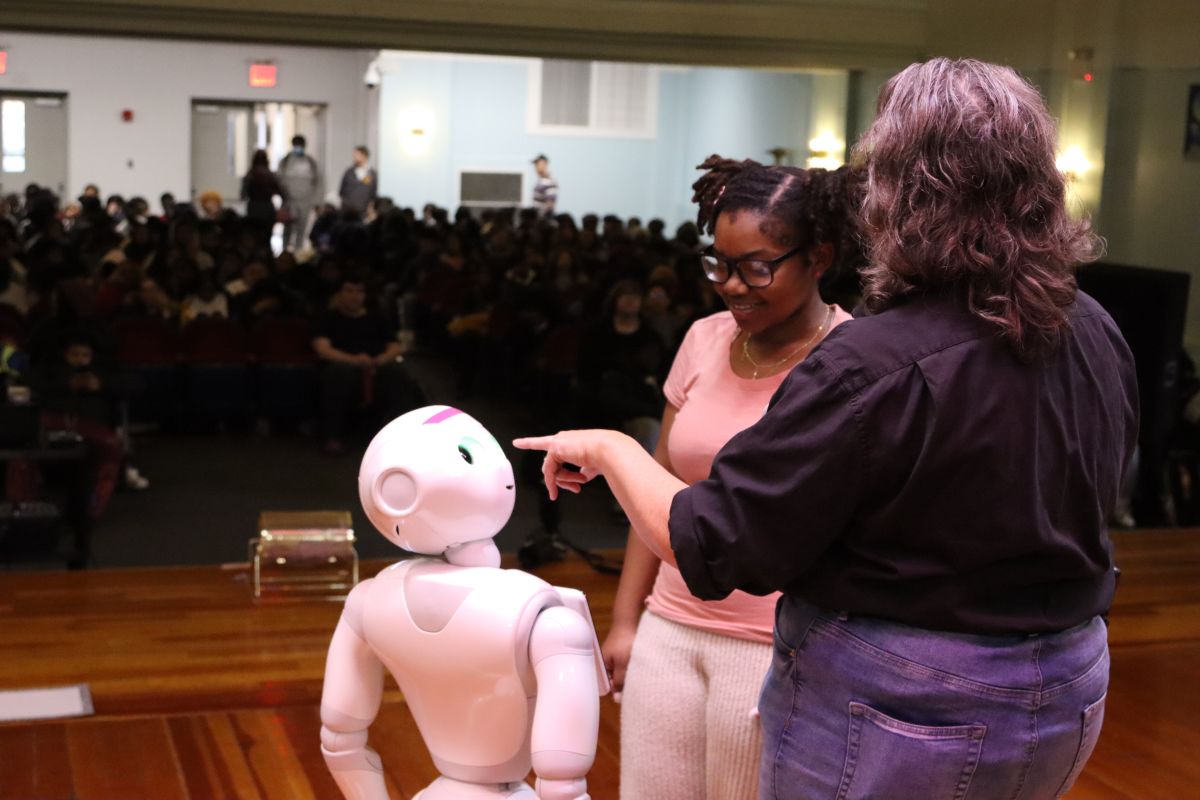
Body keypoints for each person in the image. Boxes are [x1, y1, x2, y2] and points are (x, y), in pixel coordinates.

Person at [516, 58, 1137, 800]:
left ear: (896, 198)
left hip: (912, 702)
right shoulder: (1094, 328)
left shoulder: (871, 363)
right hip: (1069, 681)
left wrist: (613, 448)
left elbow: (713, 543)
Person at [598, 159, 856, 800]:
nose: (733, 286)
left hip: (774, 644)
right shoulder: (703, 340)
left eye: (758, 266)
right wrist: (628, 619)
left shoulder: (853, 360)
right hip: (669, 624)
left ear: (818, 256)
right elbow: (655, 486)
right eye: (719, 263)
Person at [312, 273, 424, 455]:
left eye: (359, 291)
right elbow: (322, 349)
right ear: (339, 294)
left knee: (397, 375)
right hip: (342, 368)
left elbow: (395, 347)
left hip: (376, 368)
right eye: (348, 291)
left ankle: (403, 437)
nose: (354, 296)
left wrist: (379, 360)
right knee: (338, 373)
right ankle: (333, 435)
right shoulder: (328, 318)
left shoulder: (377, 318)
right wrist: (354, 360)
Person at [277, 135, 321, 252]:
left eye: (300, 146)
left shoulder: (310, 162)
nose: (298, 148)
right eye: (296, 145)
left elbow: (316, 182)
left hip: (305, 201)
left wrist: (315, 202)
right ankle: (284, 251)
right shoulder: (285, 161)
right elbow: (279, 180)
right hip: (289, 201)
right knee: (288, 229)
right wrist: (284, 197)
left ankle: (298, 252)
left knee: (301, 229)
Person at [241, 149, 286, 248]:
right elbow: (282, 193)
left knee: (254, 237)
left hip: (254, 207)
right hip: (267, 208)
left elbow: (243, 194)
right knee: (266, 237)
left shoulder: (250, 174)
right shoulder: (270, 174)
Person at [338, 145, 377, 219]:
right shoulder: (349, 172)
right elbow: (341, 191)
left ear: (364, 156)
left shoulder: (372, 174)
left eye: (357, 154)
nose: (354, 157)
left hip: (363, 211)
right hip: (347, 211)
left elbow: (373, 193)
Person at [532, 154, 558, 218]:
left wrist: (540, 218)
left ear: (545, 164)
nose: (536, 167)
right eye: (536, 165)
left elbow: (550, 204)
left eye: (538, 164)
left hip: (544, 220)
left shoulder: (549, 182)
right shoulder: (540, 181)